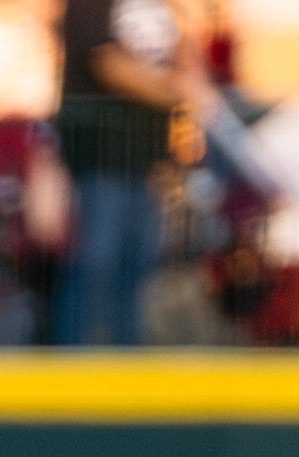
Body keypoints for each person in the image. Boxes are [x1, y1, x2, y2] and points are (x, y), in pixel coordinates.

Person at [53, 0, 194, 344]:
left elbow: (179, 55)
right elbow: (107, 62)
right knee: (98, 262)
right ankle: (78, 367)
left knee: (138, 265)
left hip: (146, 158)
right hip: (101, 156)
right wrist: (177, 95)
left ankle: (126, 366)